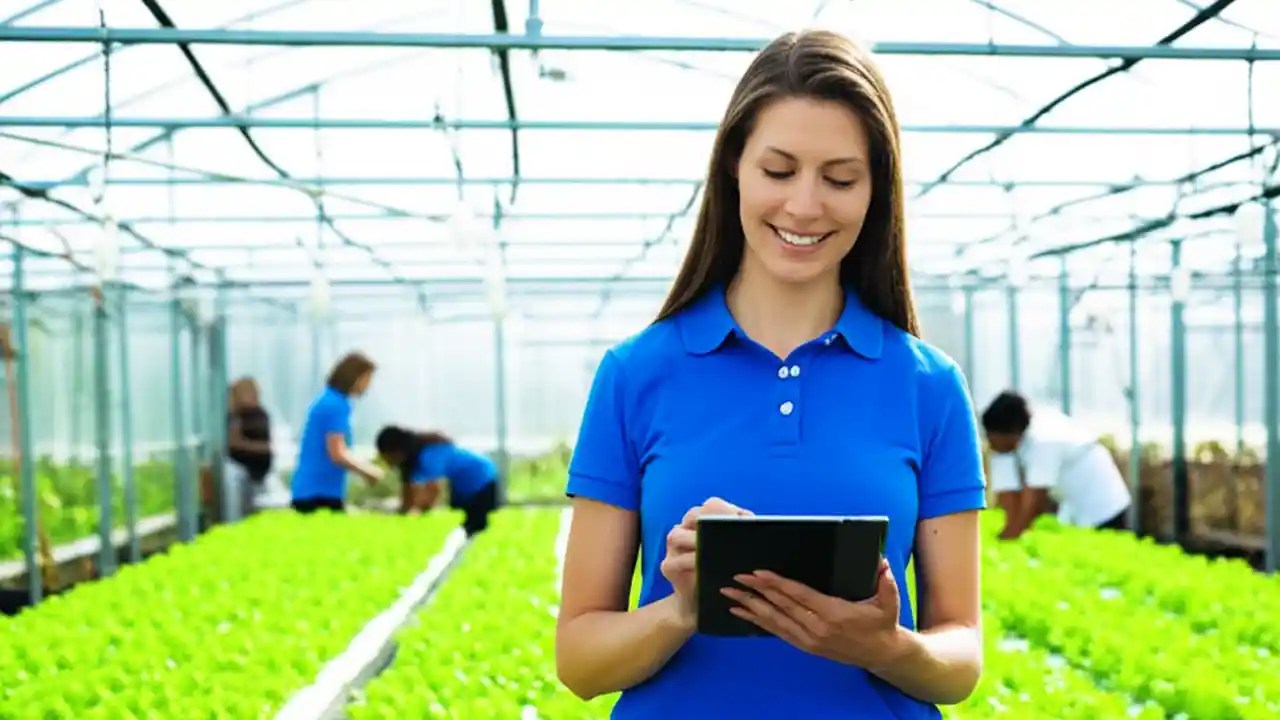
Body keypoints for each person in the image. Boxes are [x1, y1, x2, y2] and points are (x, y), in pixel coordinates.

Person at [554, 29, 986, 720]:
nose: (806, 206)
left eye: (840, 178)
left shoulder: (928, 385)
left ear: (877, 189)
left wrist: (883, 647)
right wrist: (682, 610)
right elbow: (578, 660)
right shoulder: (635, 374)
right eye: (778, 171)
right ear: (733, 168)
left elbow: (960, 654)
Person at [981, 390, 1132, 540]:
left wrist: (1010, 538)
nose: (989, 443)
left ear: (1011, 434)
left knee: (1106, 547)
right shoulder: (1005, 446)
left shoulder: (1044, 439)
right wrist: (1007, 531)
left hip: (1103, 505)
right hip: (1074, 507)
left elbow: (1035, 500)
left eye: (992, 437)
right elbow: (1007, 492)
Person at [289, 352, 384, 513]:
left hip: (311, 490)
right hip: (319, 494)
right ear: (356, 377)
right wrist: (368, 471)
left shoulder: (328, 399)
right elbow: (337, 453)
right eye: (367, 379)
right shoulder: (336, 405)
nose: (368, 385)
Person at [374, 425, 503, 536]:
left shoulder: (427, 457)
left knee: (475, 524)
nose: (386, 461)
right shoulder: (413, 462)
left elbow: (434, 490)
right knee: (465, 518)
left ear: (398, 451)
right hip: (468, 480)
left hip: (482, 479)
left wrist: (421, 514)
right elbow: (409, 496)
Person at [225, 377, 273, 516]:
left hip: (260, 472)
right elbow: (234, 443)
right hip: (243, 471)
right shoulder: (235, 416)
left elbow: (266, 443)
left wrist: (249, 445)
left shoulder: (260, 414)